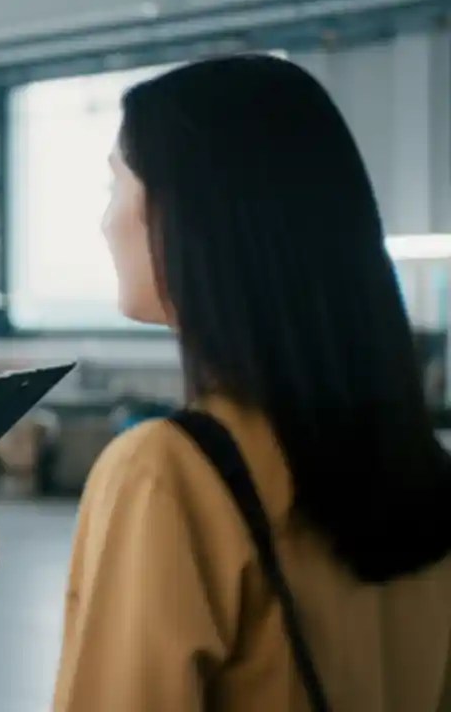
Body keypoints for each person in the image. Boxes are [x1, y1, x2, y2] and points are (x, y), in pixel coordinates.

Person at [52, 53, 451, 711]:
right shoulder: (421, 469)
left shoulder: (168, 473)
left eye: (116, 185)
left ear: (184, 214)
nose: (105, 220)